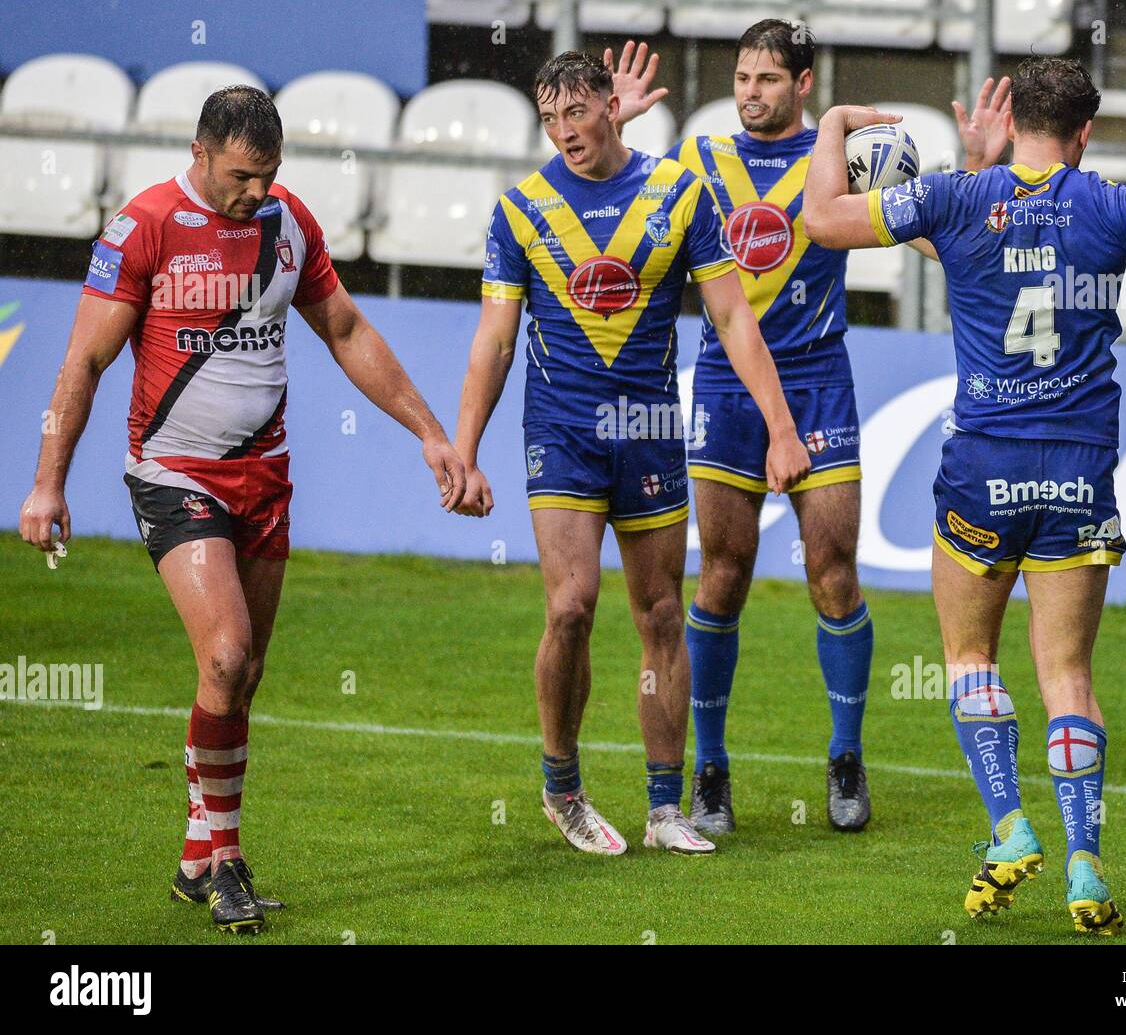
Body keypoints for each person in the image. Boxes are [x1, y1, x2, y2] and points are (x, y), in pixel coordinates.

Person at [804, 57, 1126, 934]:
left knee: (972, 659)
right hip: (1079, 468)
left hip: (983, 465)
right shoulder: (1114, 205)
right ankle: (1086, 867)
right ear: (1084, 133)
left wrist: (834, 128)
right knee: (1068, 673)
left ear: (1010, 123)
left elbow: (822, 221)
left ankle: (1009, 827)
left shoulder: (955, 196)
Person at [18, 86, 466, 933]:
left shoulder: (287, 223)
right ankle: (227, 860)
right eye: (240, 175)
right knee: (225, 657)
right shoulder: (144, 227)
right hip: (173, 475)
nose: (255, 191)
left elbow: (343, 328)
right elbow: (84, 363)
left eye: (267, 175)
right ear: (199, 153)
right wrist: (48, 482)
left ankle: (197, 855)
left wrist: (430, 434)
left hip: (266, 477)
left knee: (244, 674)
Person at [606, 26, 1008, 834]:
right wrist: (611, 134)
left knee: (832, 573)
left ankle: (846, 757)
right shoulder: (697, 157)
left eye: (766, 78)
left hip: (819, 384)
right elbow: (623, 211)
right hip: (725, 386)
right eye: (741, 76)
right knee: (723, 575)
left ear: (803, 83)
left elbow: (943, 235)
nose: (750, 91)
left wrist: (979, 171)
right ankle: (711, 771)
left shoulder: (849, 166)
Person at [453, 51, 809, 856]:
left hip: (648, 432)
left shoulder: (680, 196)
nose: (563, 132)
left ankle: (662, 808)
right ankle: (562, 785)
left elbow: (732, 319)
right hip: (563, 433)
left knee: (657, 615)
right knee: (570, 606)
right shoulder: (521, 210)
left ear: (610, 106)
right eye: (549, 119)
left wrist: (780, 429)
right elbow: (495, 342)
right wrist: (466, 451)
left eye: (575, 113)